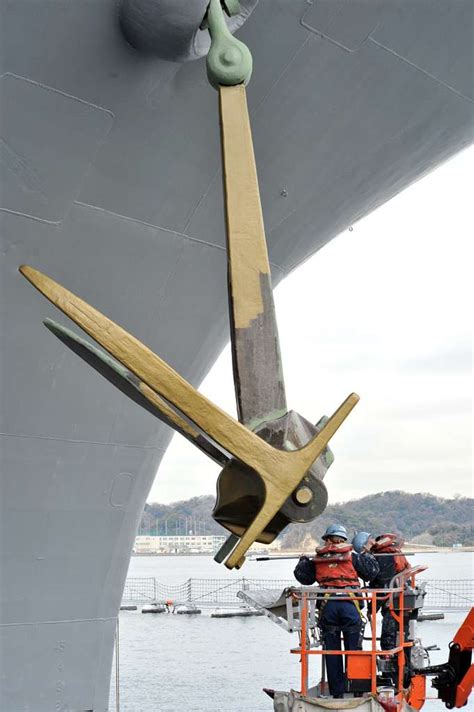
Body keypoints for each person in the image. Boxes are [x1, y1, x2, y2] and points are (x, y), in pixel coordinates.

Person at [294, 523, 379, 699]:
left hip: (328, 606)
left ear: (326, 539)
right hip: (350, 605)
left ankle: (337, 693)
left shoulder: (319, 558)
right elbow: (371, 572)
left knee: (332, 651)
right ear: (344, 539)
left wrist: (303, 561)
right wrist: (368, 554)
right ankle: (356, 690)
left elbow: (304, 577)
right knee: (353, 651)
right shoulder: (352, 556)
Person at [352, 531, 410, 650]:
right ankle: (401, 662)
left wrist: (371, 609)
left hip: (394, 601)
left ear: (365, 546)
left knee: (389, 640)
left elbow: (382, 585)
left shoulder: (382, 556)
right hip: (401, 597)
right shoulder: (385, 552)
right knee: (402, 636)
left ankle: (394, 663)